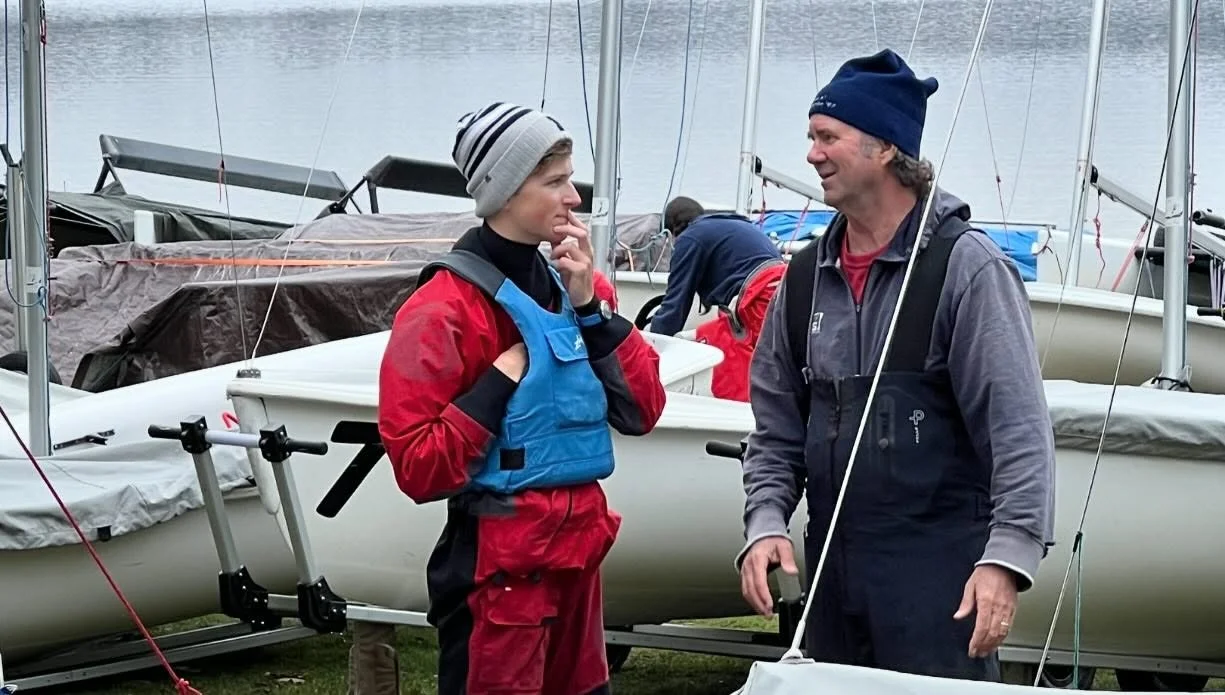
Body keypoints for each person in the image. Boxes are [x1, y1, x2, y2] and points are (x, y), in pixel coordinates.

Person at [735, 49, 1056, 682]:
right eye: (810, 137)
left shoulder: (968, 271)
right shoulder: (801, 281)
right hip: (831, 578)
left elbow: (1018, 430)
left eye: (828, 137)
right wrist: (766, 520)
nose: (811, 154)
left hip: (941, 583)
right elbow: (775, 430)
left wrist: (1008, 557)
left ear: (885, 149)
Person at [377, 101, 668, 695]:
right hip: (497, 576)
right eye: (556, 182)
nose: (574, 199)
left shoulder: (579, 282)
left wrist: (592, 309)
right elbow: (418, 466)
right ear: (506, 191)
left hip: (578, 564)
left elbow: (644, 411)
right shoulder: (441, 309)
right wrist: (499, 381)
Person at [647, 197, 785, 401]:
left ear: (672, 231)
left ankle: (740, 415)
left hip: (758, 297)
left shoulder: (690, 237)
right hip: (782, 290)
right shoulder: (736, 225)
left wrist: (651, 349)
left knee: (734, 361)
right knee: (774, 367)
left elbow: (674, 305)